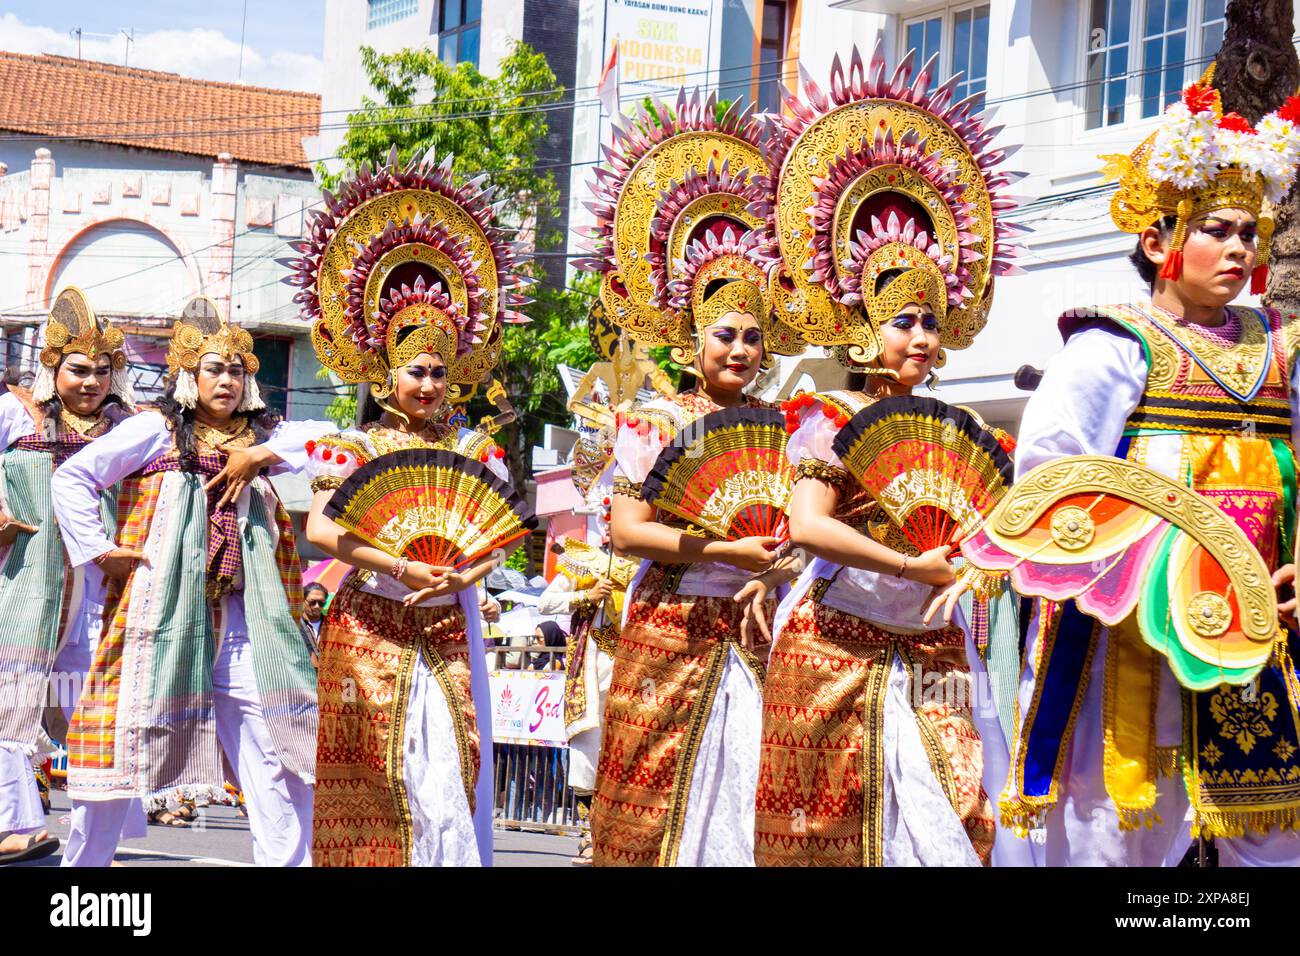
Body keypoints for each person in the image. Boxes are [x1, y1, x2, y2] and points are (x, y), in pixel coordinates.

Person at [935, 72, 1300, 866]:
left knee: (1272, 834)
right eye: (1215, 228)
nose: (1239, 246)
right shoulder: (1113, 345)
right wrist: (1170, 568)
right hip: (1127, 632)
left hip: (1261, 631)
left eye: (1249, 230)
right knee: (1116, 831)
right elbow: (1054, 478)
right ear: (1158, 240)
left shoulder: (1281, 349)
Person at [752, 44, 1029, 867]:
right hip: (835, 640)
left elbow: (999, 527)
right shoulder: (829, 414)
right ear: (862, 323)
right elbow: (807, 525)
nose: (921, 338)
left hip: (937, 646)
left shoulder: (958, 426)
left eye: (932, 322)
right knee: (832, 828)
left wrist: (974, 563)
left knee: (961, 810)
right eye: (905, 319)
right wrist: (913, 567)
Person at [577, 88, 809, 866]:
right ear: (688, 343)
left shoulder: (787, 429)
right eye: (724, 334)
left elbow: (799, 533)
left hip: (757, 626)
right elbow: (626, 531)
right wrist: (721, 555)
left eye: (752, 335)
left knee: (749, 796)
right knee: (658, 804)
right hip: (670, 626)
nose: (740, 349)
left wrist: (771, 571)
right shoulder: (651, 422)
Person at [292, 148, 530, 867]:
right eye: (415, 369)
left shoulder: (472, 448)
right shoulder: (351, 447)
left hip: (448, 628)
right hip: (367, 627)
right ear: (385, 374)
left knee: (450, 775)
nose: (428, 383)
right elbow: (321, 527)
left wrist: (465, 576)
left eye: (439, 368)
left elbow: (500, 537)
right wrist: (394, 560)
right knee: (376, 783)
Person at [51, 295, 330, 867]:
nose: (225, 381)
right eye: (213, 369)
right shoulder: (154, 430)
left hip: (243, 629)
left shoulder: (265, 437)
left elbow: (335, 445)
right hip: (158, 623)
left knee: (278, 755)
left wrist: (261, 453)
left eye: (236, 370)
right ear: (189, 376)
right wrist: (103, 553)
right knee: (118, 755)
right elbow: (73, 479)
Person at [0, 288, 139, 865]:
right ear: (52, 368)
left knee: (95, 717)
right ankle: (14, 823)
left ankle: (95, 841)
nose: (90, 382)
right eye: (78, 370)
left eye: (101, 372)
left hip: (100, 596)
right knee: (8, 702)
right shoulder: (14, 413)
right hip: (23, 588)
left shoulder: (128, 429)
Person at [299, 582, 328, 667]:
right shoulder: (293, 625)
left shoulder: (330, 625)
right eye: (313, 602)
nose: (317, 606)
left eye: (321, 603)